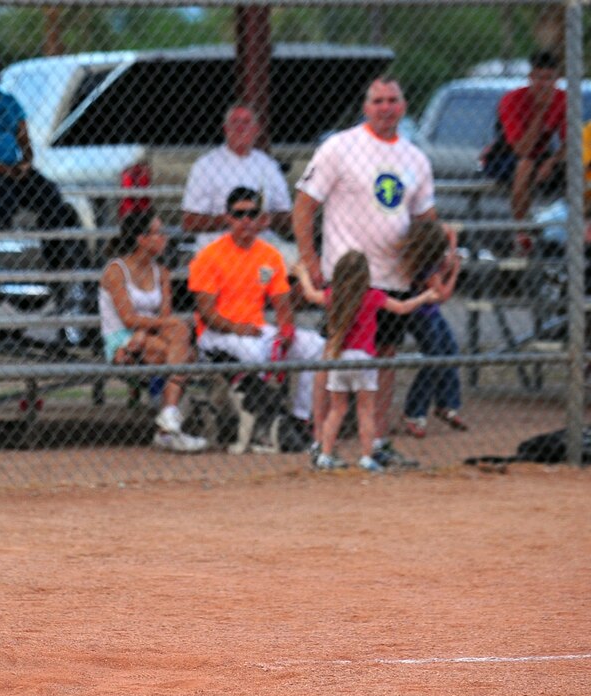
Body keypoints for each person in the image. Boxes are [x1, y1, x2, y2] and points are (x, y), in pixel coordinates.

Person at [293, 76, 438, 470]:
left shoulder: (415, 158)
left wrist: (431, 265)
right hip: (349, 275)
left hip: (394, 276)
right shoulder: (340, 147)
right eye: (377, 101)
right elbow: (304, 205)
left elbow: (426, 219)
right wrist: (310, 260)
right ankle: (319, 440)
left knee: (385, 355)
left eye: (392, 100)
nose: (385, 107)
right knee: (334, 351)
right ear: (365, 106)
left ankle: (376, 441)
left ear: (403, 106)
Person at [189, 187, 325, 448]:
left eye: (252, 214)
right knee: (253, 353)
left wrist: (286, 328)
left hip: (255, 330)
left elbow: (282, 304)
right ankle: (262, 424)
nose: (246, 221)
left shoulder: (269, 255)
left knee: (315, 346)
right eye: (239, 214)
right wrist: (237, 328)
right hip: (216, 335)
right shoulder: (209, 255)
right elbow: (206, 312)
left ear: (261, 219)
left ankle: (300, 419)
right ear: (228, 218)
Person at [0, 51, 89, 278]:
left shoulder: (9, 103)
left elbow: (24, 141)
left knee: (51, 197)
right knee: (1, 202)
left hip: (11, 170)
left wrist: (25, 164)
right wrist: (3, 170)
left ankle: (55, 261)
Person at [294, 253, 437, 472]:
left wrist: (303, 274)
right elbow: (402, 307)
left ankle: (325, 454)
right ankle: (366, 457)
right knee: (365, 410)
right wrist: (424, 296)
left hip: (339, 358)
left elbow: (311, 295)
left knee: (337, 409)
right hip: (363, 359)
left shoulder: (333, 295)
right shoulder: (372, 296)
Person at [99, 209, 207, 454]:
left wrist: (147, 333)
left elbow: (164, 319)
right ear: (142, 239)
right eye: (158, 233)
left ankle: (168, 418)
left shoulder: (162, 272)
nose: (164, 238)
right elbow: (127, 318)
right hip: (121, 338)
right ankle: (167, 426)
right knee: (186, 356)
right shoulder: (116, 270)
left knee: (179, 331)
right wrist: (141, 333)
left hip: (150, 337)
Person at [485, 51, 567, 256]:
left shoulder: (562, 99)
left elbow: (570, 142)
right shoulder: (512, 99)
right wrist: (540, 111)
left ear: (557, 79)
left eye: (549, 78)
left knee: (574, 167)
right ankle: (521, 233)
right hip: (505, 154)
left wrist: (552, 161)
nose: (543, 84)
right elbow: (522, 149)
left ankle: (574, 231)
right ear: (530, 77)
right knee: (525, 164)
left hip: (541, 155)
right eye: (539, 78)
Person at [180, 105, 294, 250]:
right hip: (218, 248)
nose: (240, 127)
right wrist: (232, 219)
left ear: (256, 129)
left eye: (246, 122)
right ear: (225, 129)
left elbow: (287, 216)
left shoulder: (268, 165)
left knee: (295, 257)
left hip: (261, 247)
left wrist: (267, 220)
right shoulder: (205, 165)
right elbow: (189, 222)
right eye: (235, 122)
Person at [400, 219, 467, 438]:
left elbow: (448, 229)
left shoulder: (431, 258)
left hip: (431, 313)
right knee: (434, 357)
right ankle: (414, 413)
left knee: (451, 350)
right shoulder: (425, 266)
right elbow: (442, 295)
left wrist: (452, 251)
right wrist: (455, 270)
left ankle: (447, 404)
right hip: (420, 316)